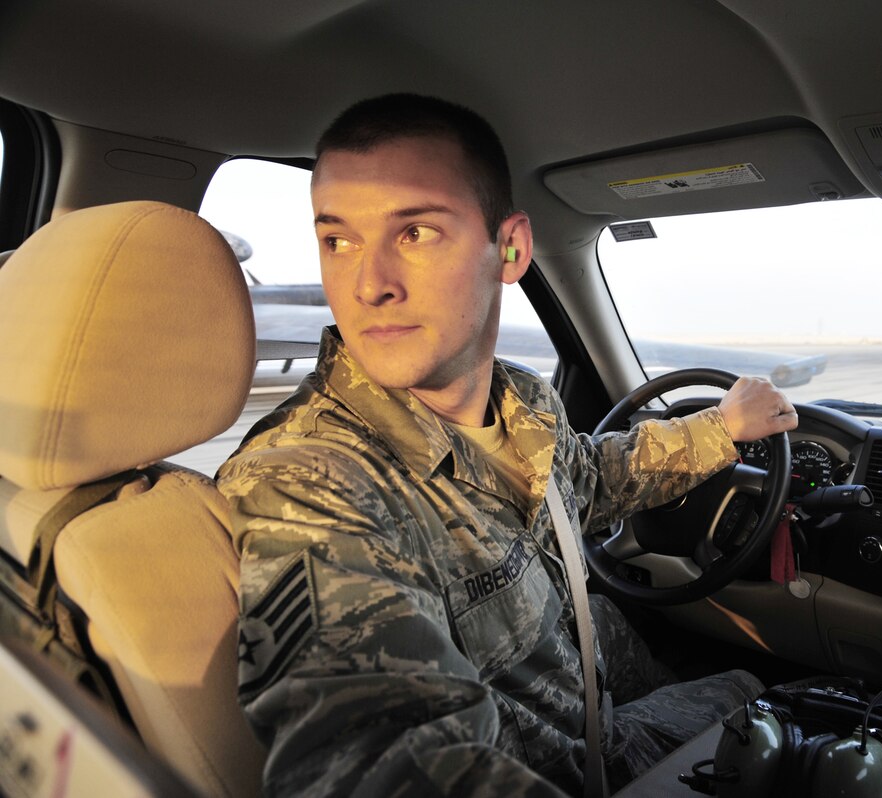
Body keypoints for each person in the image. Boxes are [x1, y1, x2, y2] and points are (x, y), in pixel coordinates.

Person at [218, 93, 799, 797]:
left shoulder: (523, 403)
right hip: (584, 768)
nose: (368, 284)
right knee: (759, 693)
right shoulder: (309, 481)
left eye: (415, 234)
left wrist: (723, 427)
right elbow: (377, 747)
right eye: (338, 240)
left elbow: (590, 479)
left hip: (598, 686)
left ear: (512, 249)